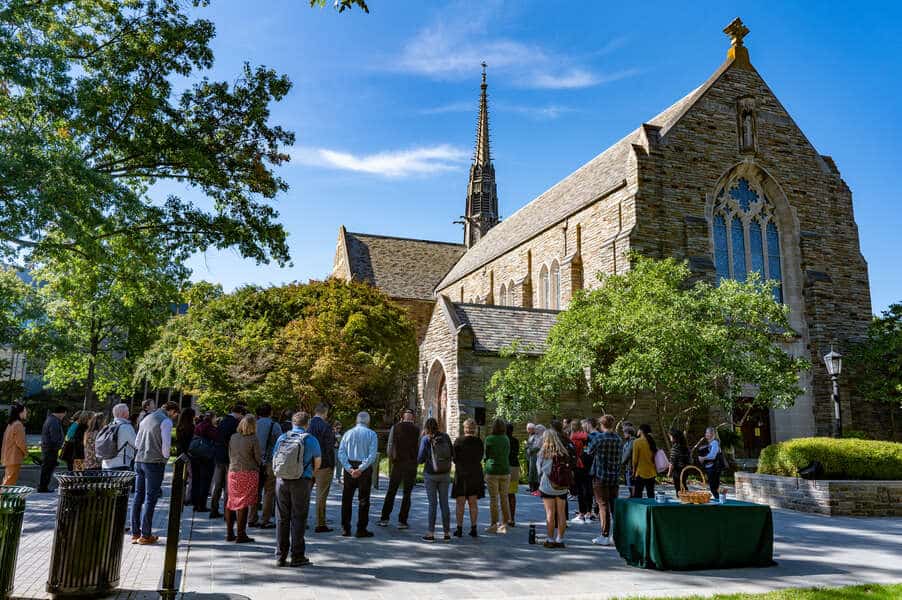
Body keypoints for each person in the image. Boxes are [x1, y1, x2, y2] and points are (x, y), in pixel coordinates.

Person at [273, 411, 321, 567]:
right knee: (298, 518)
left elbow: (275, 457)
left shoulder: (282, 437)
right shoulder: (311, 439)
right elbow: (318, 462)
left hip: (281, 480)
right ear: (307, 424)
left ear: (293, 423)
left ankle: (280, 556)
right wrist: (311, 475)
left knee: (282, 518)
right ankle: (297, 556)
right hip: (301, 481)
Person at [132, 401, 180, 545]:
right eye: (175, 414)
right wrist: (166, 458)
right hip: (154, 462)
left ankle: (135, 533)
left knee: (138, 496)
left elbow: (136, 442)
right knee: (150, 497)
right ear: (171, 411)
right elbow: (166, 445)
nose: (174, 417)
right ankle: (146, 535)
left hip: (139, 460)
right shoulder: (165, 421)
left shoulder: (146, 418)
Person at [337, 411, 378, 537]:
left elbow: (341, 453)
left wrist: (349, 468)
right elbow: (372, 455)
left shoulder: (347, 434)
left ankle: (345, 528)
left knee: (347, 499)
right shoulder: (372, 434)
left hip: (349, 466)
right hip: (364, 469)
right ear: (368, 421)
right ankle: (361, 529)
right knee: (364, 499)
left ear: (356, 420)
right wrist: (360, 468)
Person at [378, 408, 420, 529]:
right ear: (412, 418)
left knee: (391, 491)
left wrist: (390, 458)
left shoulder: (395, 427)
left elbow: (390, 445)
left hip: (398, 463)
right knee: (407, 493)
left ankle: (384, 518)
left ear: (402, 417)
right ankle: (402, 521)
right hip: (411, 463)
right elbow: (418, 446)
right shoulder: (417, 429)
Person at [586, 414, 622, 546]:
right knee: (614, 506)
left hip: (600, 475)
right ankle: (617, 534)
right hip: (614, 475)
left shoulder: (600, 438)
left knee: (603, 505)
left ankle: (604, 535)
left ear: (601, 425)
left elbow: (589, 451)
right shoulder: (618, 439)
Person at [226, 415, 262, 543]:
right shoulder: (253, 439)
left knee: (231, 501)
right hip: (248, 472)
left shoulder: (233, 437)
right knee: (244, 503)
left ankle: (230, 533)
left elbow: (230, 454)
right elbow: (258, 457)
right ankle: (241, 534)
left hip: (233, 472)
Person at [418, 417, 453, 542]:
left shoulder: (425, 439)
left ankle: (430, 533)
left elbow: (420, 459)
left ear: (426, 427)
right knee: (445, 504)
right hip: (445, 474)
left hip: (431, 474)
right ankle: (447, 533)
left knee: (432, 504)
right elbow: (452, 453)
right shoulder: (446, 437)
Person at [210, 405, 245, 519]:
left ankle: (213, 510)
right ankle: (228, 513)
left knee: (217, 485)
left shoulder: (222, 421)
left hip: (218, 456)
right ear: (239, 413)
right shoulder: (235, 423)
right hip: (229, 457)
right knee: (229, 485)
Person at [305, 403, 336, 533]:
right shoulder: (326, 426)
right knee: (321, 495)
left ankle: (302, 520)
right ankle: (320, 523)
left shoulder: (307, 425)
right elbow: (329, 447)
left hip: (307, 464)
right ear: (325, 412)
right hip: (323, 464)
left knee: (304, 495)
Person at [536, 429, 569, 548]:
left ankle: (550, 539)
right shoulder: (563, 452)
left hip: (547, 485)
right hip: (562, 486)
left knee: (550, 513)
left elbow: (539, 471)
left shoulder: (542, 453)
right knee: (561, 513)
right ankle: (560, 539)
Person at [250, 403, 281, 529]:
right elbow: (279, 443)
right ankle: (265, 519)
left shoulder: (253, 424)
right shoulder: (275, 425)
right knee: (269, 492)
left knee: (254, 491)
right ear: (271, 412)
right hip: (269, 462)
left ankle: (251, 518)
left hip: (254, 462)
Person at [451, 418, 483, 538]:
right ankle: (473, 528)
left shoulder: (459, 441)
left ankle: (459, 528)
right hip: (475, 474)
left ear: (465, 428)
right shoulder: (479, 441)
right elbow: (480, 457)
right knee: (473, 503)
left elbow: (454, 458)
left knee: (460, 503)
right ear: (474, 429)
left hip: (461, 474)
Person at [482, 417, 510, 534]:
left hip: (492, 470)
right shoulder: (506, 439)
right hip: (504, 470)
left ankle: (494, 524)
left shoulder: (489, 439)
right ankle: (504, 525)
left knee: (494, 499)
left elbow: (486, 455)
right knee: (504, 498)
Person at [190, 412, 217, 512]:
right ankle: (202, 505)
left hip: (195, 456)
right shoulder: (210, 428)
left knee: (196, 480)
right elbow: (216, 438)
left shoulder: (199, 425)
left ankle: (195, 503)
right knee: (205, 481)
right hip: (206, 457)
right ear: (212, 418)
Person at [101, 403, 137, 471]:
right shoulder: (126, 427)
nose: (129, 413)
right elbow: (136, 444)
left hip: (105, 464)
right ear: (123, 413)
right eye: (128, 411)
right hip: (121, 464)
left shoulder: (108, 426)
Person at [38, 406, 66, 492]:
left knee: (47, 468)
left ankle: (43, 487)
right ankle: (43, 487)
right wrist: (58, 446)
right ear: (62, 413)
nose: (64, 416)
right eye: (65, 414)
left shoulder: (51, 419)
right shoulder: (54, 421)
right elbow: (55, 437)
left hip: (49, 449)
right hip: (50, 449)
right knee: (47, 469)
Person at [570, 420, 592, 523]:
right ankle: (589, 512)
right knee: (588, 488)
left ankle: (581, 513)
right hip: (587, 462)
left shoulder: (573, 437)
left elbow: (572, 452)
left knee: (579, 489)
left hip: (578, 464)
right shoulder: (587, 436)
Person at [2, 403, 28, 485]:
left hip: (8, 456)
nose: (26, 413)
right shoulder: (18, 424)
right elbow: (21, 442)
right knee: (9, 481)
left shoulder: (11, 424)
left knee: (8, 479)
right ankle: (3, 497)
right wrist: (26, 453)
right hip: (13, 457)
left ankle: (4, 497)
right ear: (20, 412)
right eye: (25, 411)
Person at [631, 424, 658, 498]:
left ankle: (638, 509)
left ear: (641, 431)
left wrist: (633, 473)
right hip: (651, 472)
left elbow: (634, 460)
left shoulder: (637, 442)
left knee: (638, 495)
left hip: (640, 473)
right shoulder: (652, 441)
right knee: (651, 494)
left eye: (638, 429)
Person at [698, 426, 723, 500]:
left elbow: (712, 456)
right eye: (706, 432)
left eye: (707, 432)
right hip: (711, 468)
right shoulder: (711, 443)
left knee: (714, 488)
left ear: (712, 434)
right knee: (713, 488)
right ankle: (719, 501)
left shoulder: (715, 443)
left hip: (714, 468)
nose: (705, 434)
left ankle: (719, 502)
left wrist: (703, 458)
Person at [505, 422, 520, 527]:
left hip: (505, 466)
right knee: (512, 494)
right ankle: (512, 518)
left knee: (504, 494)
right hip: (514, 466)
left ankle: (506, 518)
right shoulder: (515, 441)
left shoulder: (503, 441)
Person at [668, 428, 691, 493]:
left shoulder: (675, 448)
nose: (670, 438)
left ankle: (683, 499)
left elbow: (672, 462)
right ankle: (687, 498)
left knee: (679, 488)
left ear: (674, 437)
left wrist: (669, 473)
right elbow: (689, 459)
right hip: (686, 470)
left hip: (678, 471)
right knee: (683, 485)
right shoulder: (685, 446)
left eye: (670, 436)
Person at [527, 424, 544, 495]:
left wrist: (531, 450)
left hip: (538, 456)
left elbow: (538, 446)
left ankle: (537, 488)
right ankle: (532, 487)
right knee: (532, 471)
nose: (535, 430)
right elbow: (529, 444)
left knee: (537, 471)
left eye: (537, 429)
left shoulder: (542, 437)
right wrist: (528, 449)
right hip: (532, 456)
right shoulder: (534, 436)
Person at [620, 422, 636, 490]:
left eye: (624, 433)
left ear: (628, 433)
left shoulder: (632, 441)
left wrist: (621, 462)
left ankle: (633, 498)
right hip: (629, 467)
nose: (623, 434)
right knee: (630, 484)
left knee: (631, 485)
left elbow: (627, 454)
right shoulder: (629, 441)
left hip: (630, 467)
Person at [525, 423, 538, 493]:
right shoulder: (530, 435)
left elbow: (536, 446)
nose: (527, 430)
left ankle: (534, 487)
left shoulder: (535, 436)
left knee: (533, 471)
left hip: (534, 456)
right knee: (530, 471)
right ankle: (531, 486)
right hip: (530, 456)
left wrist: (530, 450)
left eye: (528, 428)